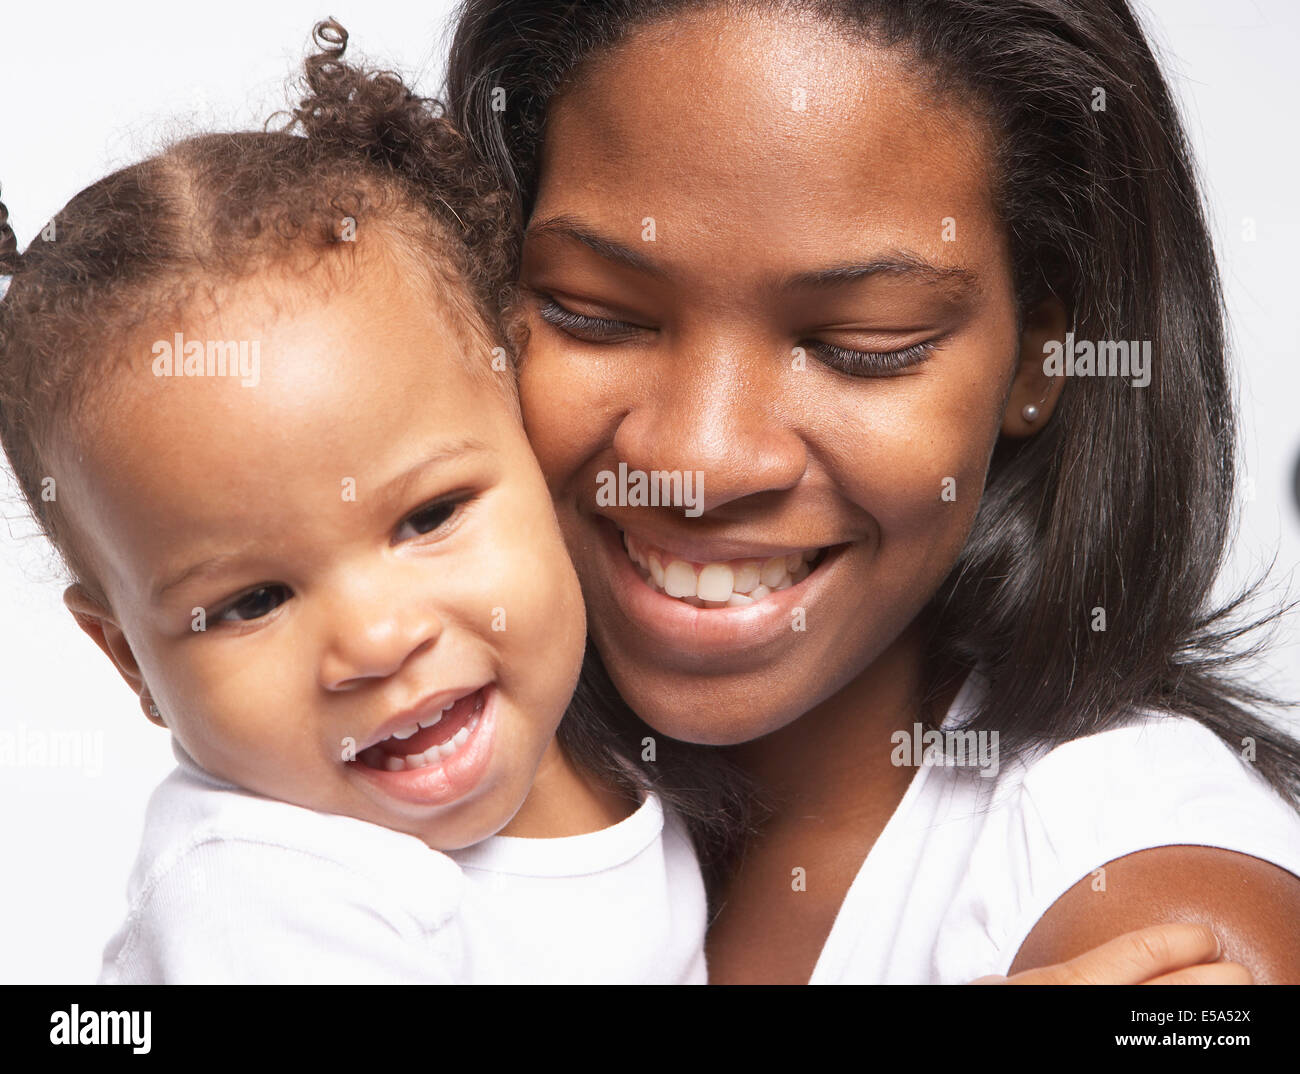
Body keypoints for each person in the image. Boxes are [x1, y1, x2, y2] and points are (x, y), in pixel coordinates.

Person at [445, 0, 1300, 982]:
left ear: (1038, 361)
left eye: (861, 348)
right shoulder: (345, 735)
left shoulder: (1150, 899)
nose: (703, 457)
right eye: (592, 315)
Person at [0, 22, 703, 984]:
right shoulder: (267, 898)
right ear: (131, 663)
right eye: (254, 601)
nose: (377, 640)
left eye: (429, 517)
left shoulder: (595, 714)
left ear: (532, 438)